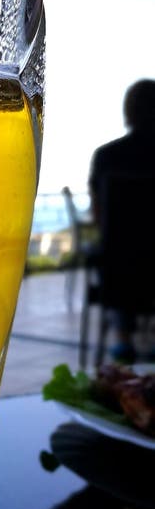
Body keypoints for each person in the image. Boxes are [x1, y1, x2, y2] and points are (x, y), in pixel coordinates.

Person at [87, 79, 155, 362]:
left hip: (119, 270)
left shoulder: (107, 156)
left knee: (112, 251)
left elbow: (99, 217)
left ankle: (122, 339)